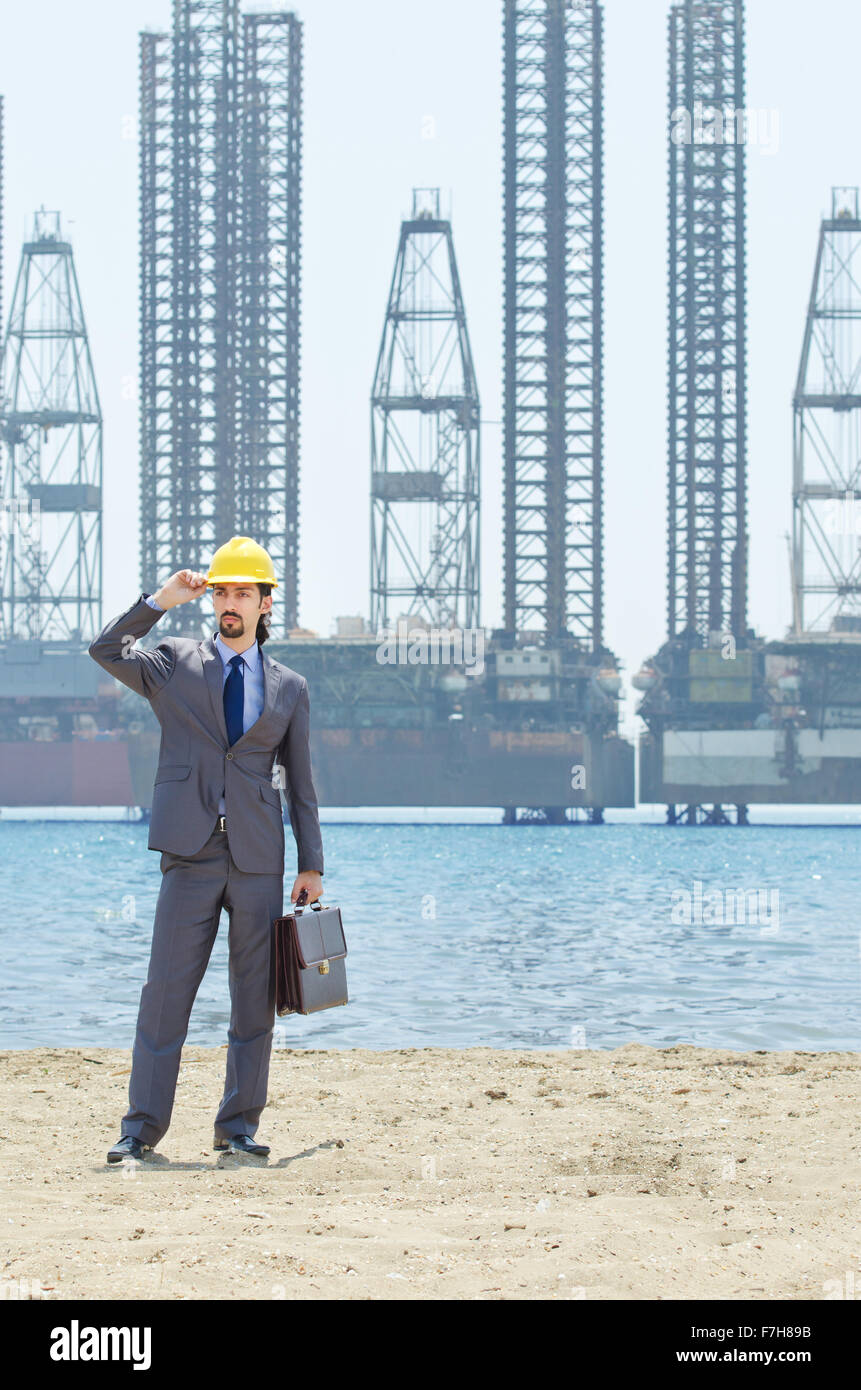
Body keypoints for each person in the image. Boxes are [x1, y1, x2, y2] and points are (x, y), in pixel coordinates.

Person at [87, 536, 324, 1164]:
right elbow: (106, 648)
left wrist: (311, 864)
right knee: (165, 993)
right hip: (188, 854)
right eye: (221, 591)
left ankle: (237, 1128)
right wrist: (161, 600)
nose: (229, 603)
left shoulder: (290, 688)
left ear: (266, 603)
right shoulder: (172, 664)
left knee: (254, 999)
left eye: (242, 593)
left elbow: (302, 784)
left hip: (257, 860)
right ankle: (139, 1132)